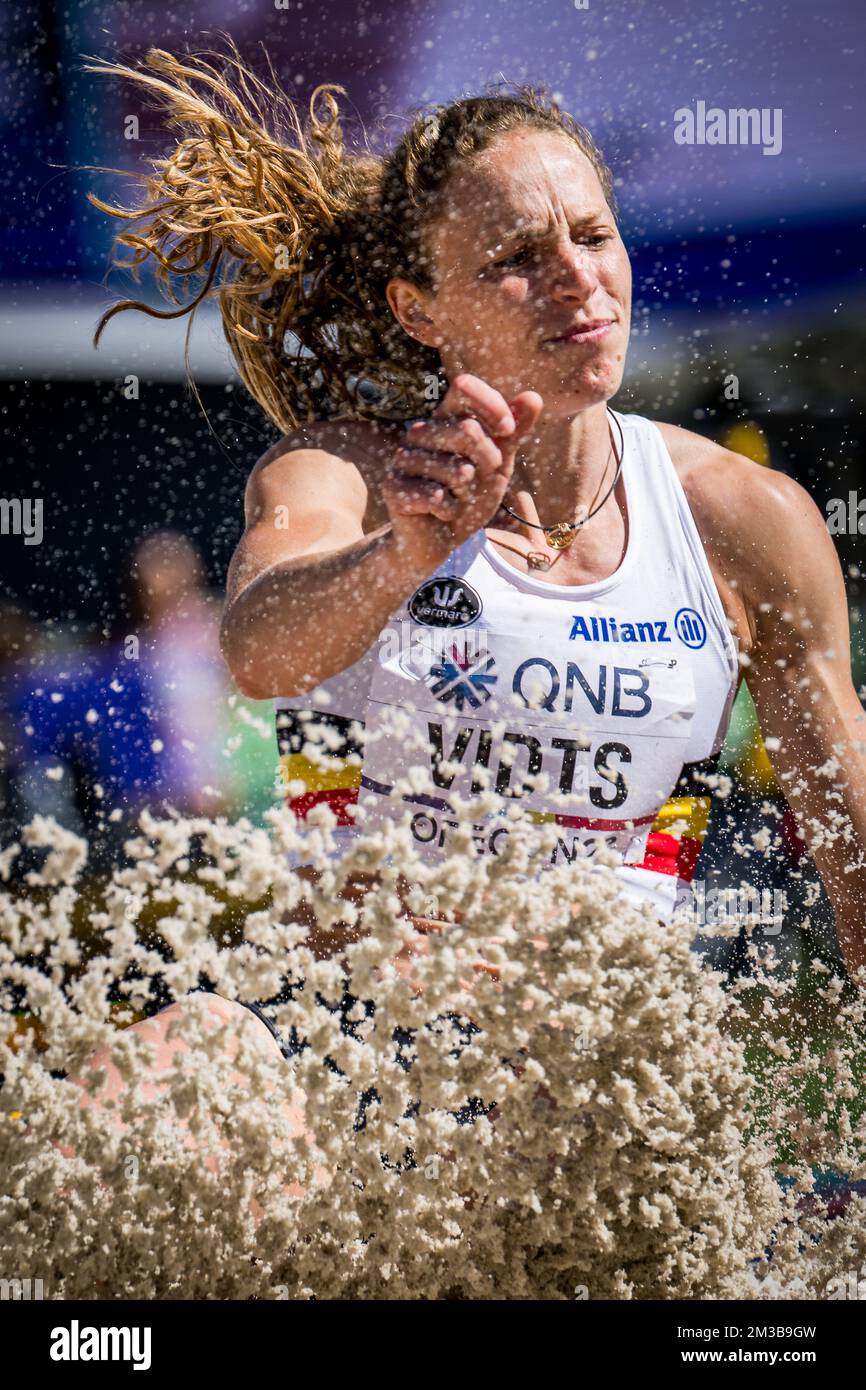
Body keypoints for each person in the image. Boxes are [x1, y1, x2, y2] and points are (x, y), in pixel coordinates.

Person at [73, 45, 866, 1156]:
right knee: (168, 1056)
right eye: (516, 258)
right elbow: (256, 653)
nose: (577, 279)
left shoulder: (746, 519)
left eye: (593, 237)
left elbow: (850, 838)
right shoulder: (339, 478)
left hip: (605, 1083)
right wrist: (404, 552)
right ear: (420, 307)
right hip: (354, 1049)